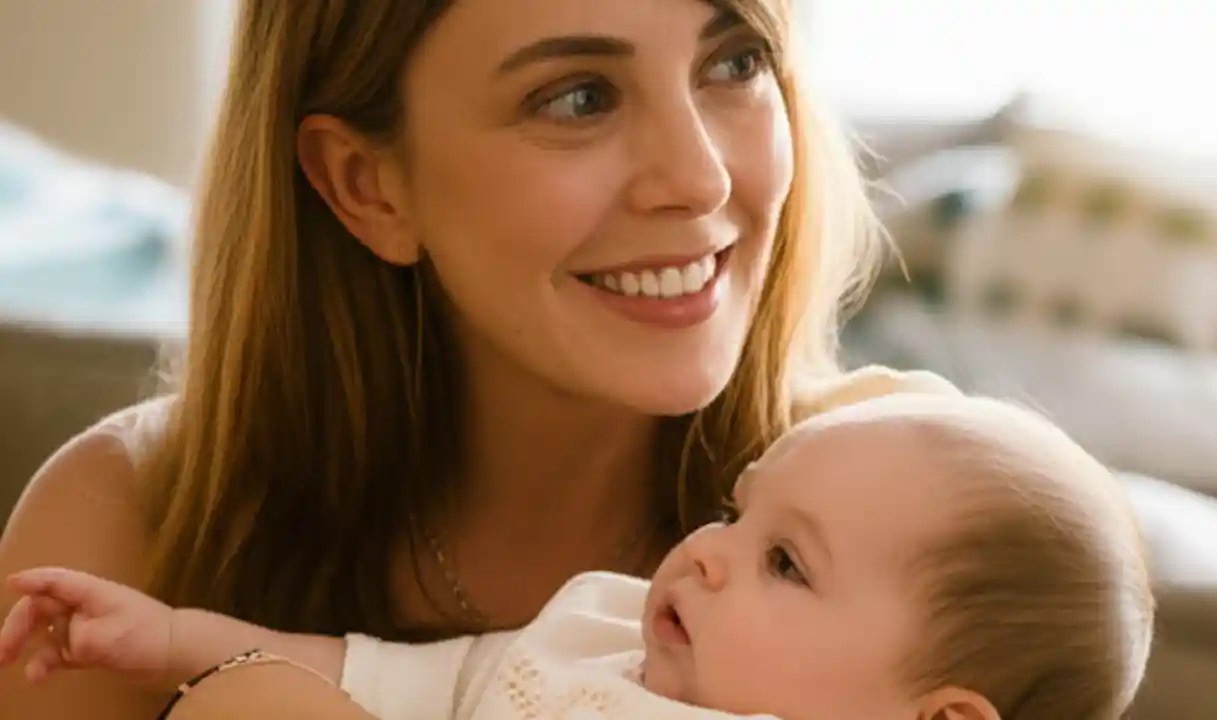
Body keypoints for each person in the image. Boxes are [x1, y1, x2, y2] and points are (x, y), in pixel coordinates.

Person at [0, 0, 958, 716]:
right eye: (578, 97)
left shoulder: (938, 527)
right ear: (366, 185)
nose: (700, 176)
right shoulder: (125, 532)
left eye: (737, 59)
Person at [1, 394, 1155, 720]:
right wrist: (172, 640)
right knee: (256, 700)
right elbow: (374, 674)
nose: (705, 556)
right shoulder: (593, 631)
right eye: (733, 514)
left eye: (785, 565)